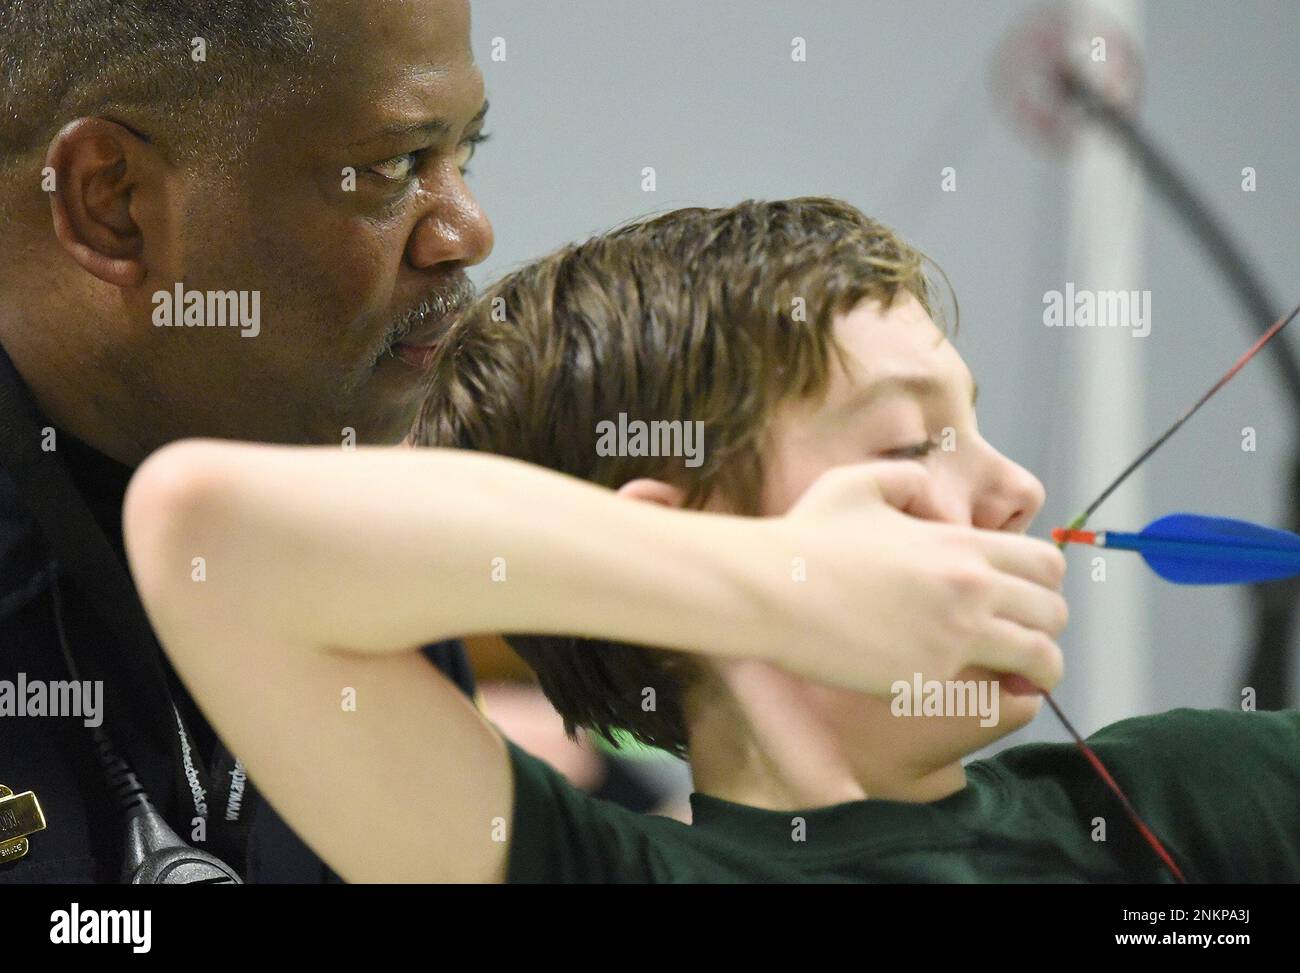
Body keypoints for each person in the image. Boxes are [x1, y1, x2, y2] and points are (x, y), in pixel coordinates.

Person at [0, 2, 1060, 883]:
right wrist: (791, 587)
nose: (467, 229)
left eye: (465, 153)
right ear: (111, 202)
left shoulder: (384, 545)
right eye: (391, 165)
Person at [124, 198, 1299, 884]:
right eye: (907, 446)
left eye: (976, 426)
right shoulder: (605, 869)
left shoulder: (1199, 796)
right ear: (674, 556)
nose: (1018, 490)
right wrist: (781, 589)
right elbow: (205, 534)